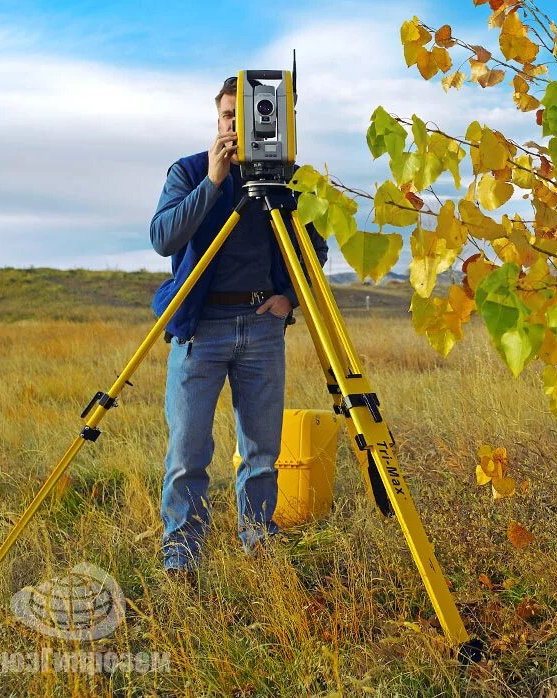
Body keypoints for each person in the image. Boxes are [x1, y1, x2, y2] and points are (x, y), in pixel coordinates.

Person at [149, 75, 328, 577]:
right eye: (231, 117)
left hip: (262, 327)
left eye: (247, 118)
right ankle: (182, 557)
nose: (237, 127)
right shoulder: (187, 171)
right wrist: (212, 181)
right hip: (199, 329)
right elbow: (163, 238)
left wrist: (288, 298)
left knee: (262, 452)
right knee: (188, 452)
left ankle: (258, 544)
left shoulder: (286, 182)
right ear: (219, 120)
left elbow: (315, 251)